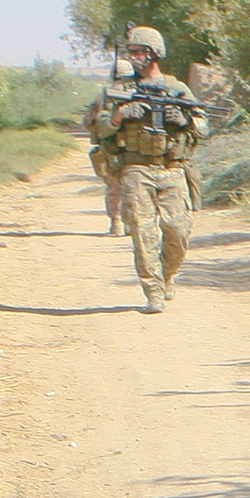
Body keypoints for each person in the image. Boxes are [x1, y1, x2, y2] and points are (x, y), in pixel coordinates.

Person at [94, 26, 207, 312]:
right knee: (144, 234)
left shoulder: (177, 88)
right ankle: (153, 292)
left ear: (154, 53)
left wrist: (183, 120)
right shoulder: (121, 90)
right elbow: (99, 127)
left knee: (178, 231)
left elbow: (203, 126)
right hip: (136, 168)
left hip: (173, 168)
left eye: (138, 52)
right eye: (131, 52)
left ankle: (167, 276)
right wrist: (120, 115)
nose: (133, 57)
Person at [82, 56, 130, 233]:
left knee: (114, 186)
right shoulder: (137, 93)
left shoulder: (102, 96)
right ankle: (130, 223)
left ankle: (116, 222)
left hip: (109, 147)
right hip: (132, 147)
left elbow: (88, 122)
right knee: (132, 186)